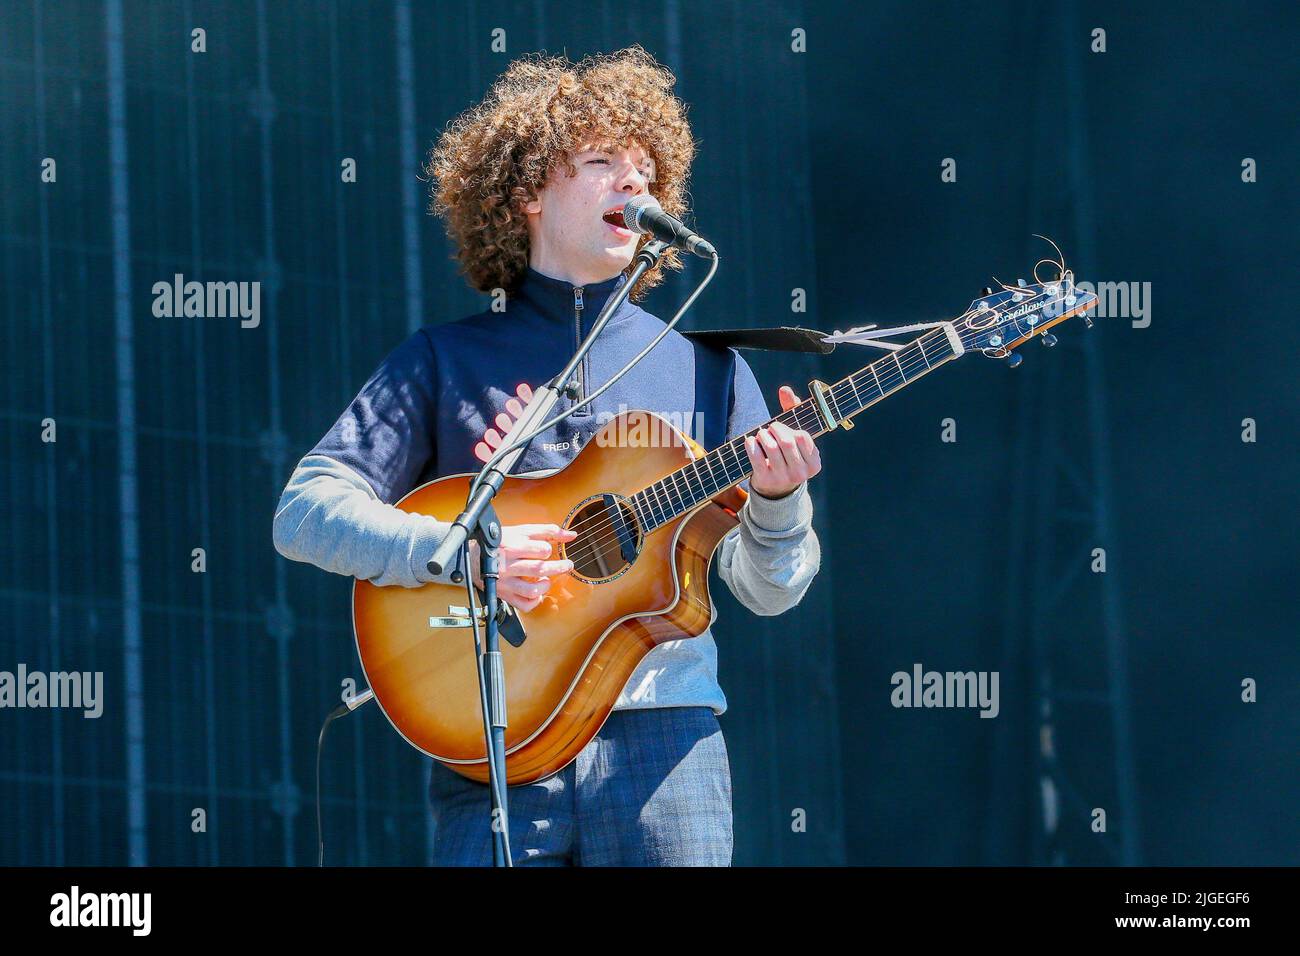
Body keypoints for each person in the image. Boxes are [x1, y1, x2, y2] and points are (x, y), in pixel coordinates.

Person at [272, 46, 822, 866]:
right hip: (492, 730)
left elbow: (768, 592)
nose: (633, 183)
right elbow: (304, 513)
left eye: (645, 170)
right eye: (602, 162)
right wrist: (457, 553)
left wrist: (780, 506)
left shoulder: (710, 372)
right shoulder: (444, 360)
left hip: (665, 750)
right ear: (527, 193)